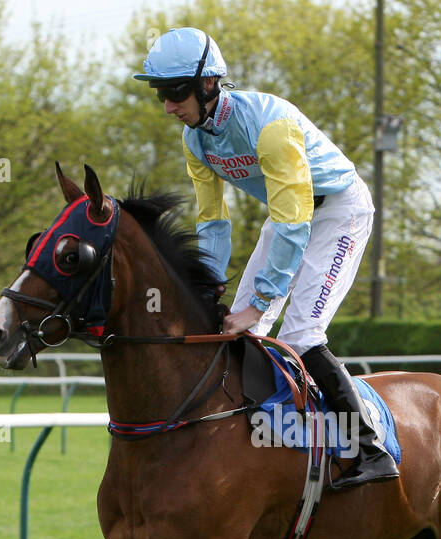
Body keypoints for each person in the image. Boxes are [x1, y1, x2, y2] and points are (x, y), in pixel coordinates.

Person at [134, 27, 398, 490]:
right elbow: (213, 222)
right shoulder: (196, 140)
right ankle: (258, 436)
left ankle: (369, 448)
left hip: (339, 211)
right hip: (287, 215)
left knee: (300, 334)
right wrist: (210, 286)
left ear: (208, 84)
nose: (168, 106)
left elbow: (295, 225)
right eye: (161, 94)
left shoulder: (271, 126)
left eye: (175, 93)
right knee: (241, 330)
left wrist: (259, 302)